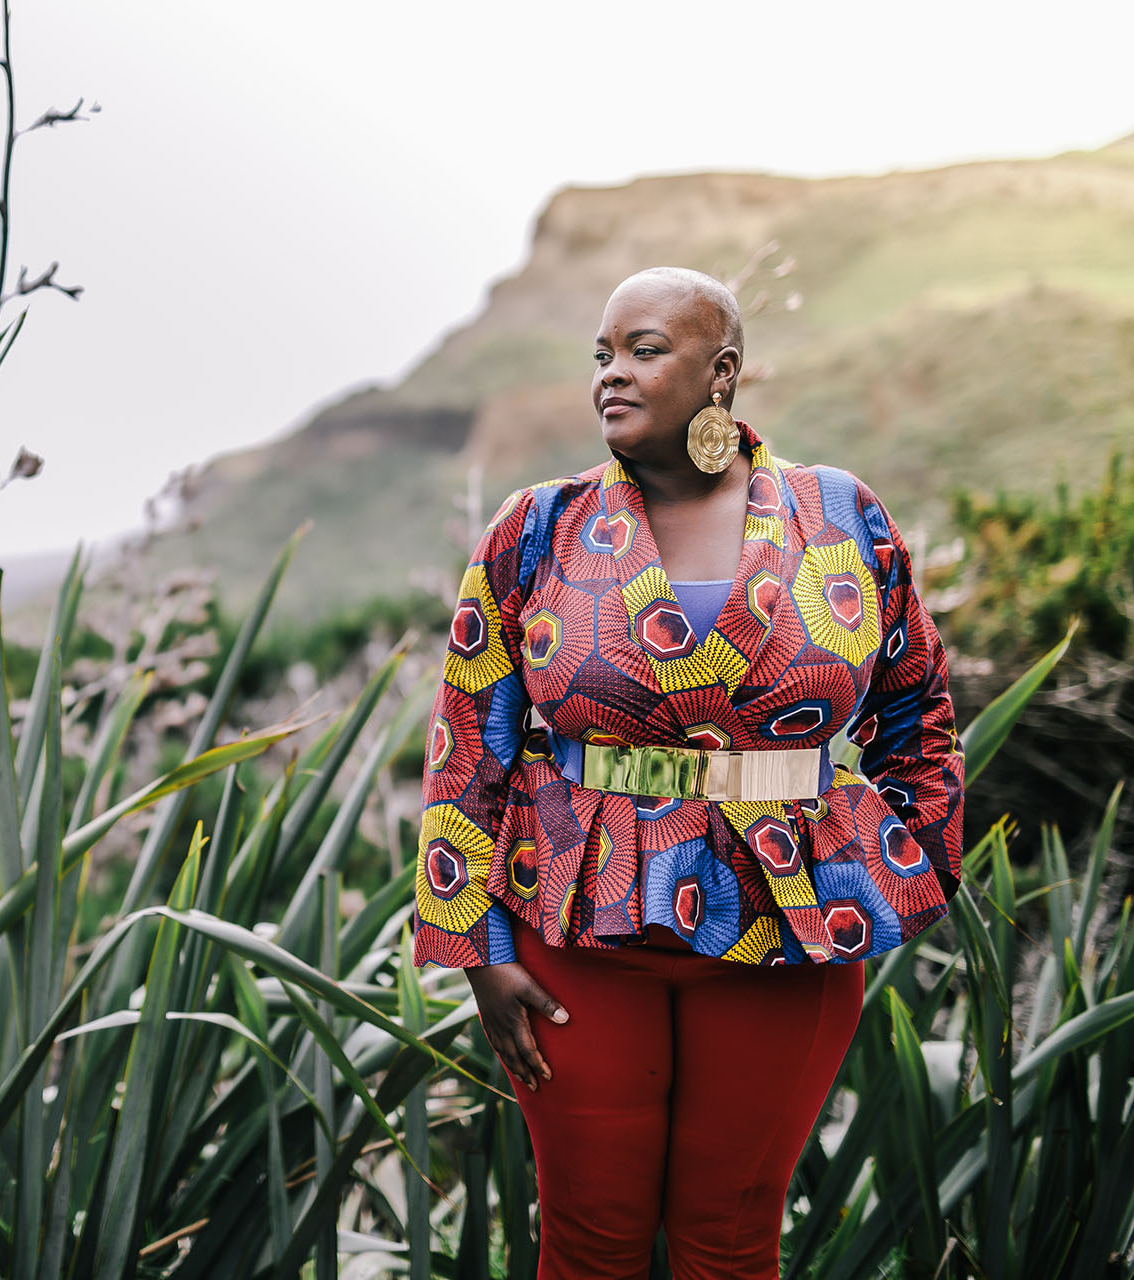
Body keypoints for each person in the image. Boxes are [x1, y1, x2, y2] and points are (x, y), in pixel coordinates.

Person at [412, 267, 964, 1280]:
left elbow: (918, 709)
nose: (611, 375)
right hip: (574, 936)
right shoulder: (536, 528)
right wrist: (476, 946)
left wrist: (905, 872)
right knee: (589, 1244)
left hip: (788, 931)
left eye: (644, 348)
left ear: (723, 372)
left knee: (732, 1242)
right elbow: (468, 742)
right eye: (601, 353)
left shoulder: (841, 517)